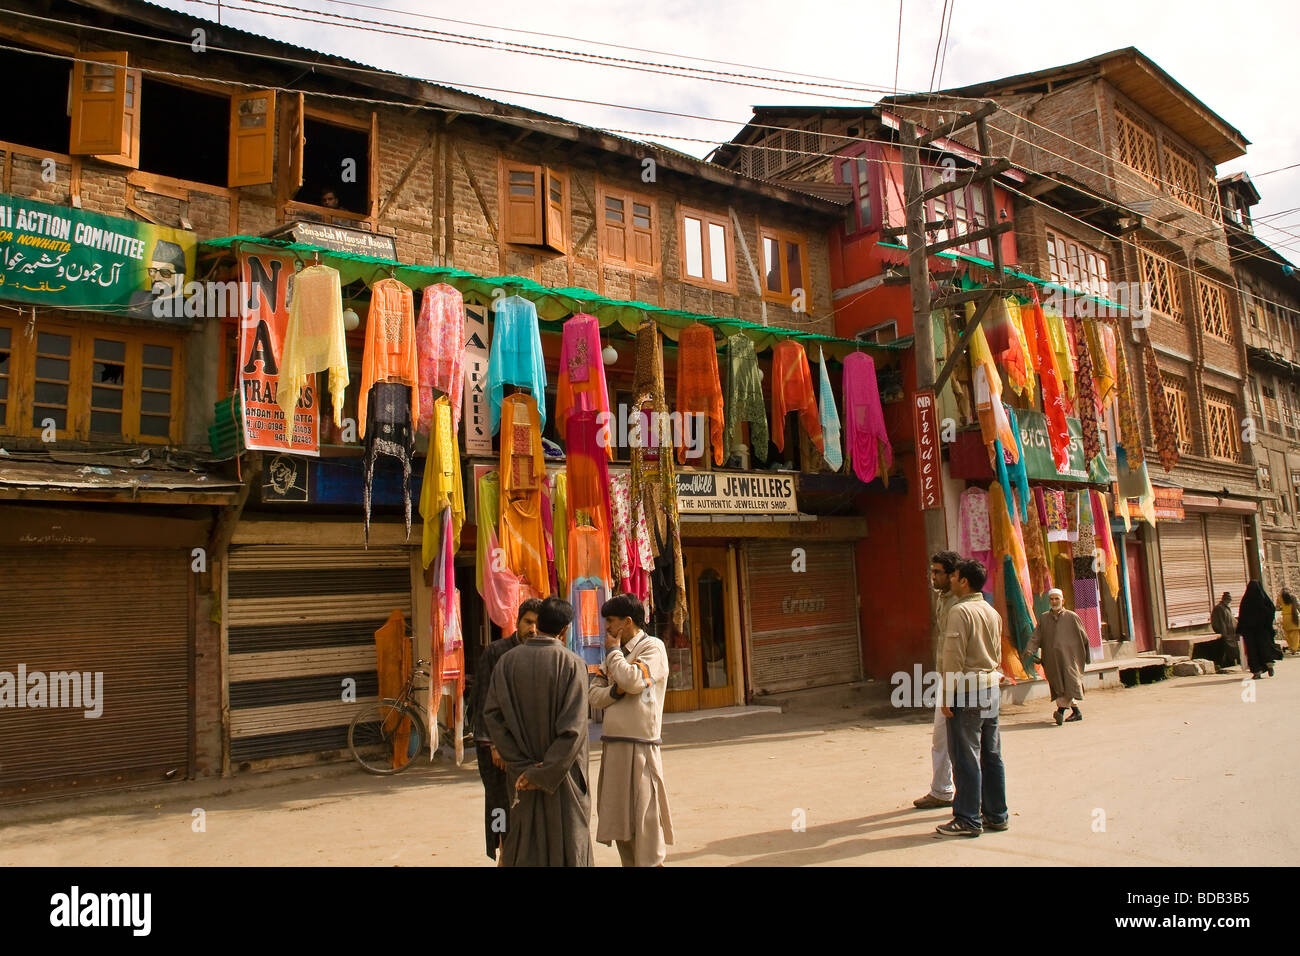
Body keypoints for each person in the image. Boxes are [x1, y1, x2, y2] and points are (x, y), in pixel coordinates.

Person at [483, 596, 593, 866]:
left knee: (524, 844)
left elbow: (492, 717)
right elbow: (573, 731)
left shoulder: (506, 663)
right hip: (563, 776)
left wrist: (522, 767)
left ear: (538, 623)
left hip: (520, 775)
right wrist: (544, 772)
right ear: (565, 630)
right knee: (568, 845)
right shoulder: (572, 664)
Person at [589, 594, 674, 867]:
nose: (607, 630)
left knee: (646, 829)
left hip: (642, 747)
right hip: (613, 747)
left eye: (611, 623)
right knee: (620, 829)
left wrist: (617, 662)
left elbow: (634, 680)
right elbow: (594, 694)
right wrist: (617, 689)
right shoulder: (616, 657)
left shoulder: (653, 648)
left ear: (627, 622)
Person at [935, 558, 1009, 838]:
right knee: (991, 754)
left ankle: (967, 818)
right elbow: (997, 651)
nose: (949, 581)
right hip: (990, 687)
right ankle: (996, 814)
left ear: (964, 581)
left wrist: (947, 695)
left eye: (953, 576)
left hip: (967, 691)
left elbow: (952, 658)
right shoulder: (990, 611)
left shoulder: (960, 611)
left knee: (965, 756)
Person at [468, 598, 542, 862]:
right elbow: (484, 700)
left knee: (522, 804)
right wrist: (493, 745)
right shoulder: (496, 652)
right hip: (495, 751)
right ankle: (502, 854)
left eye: (537, 624)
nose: (533, 629)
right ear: (518, 622)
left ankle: (517, 855)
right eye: (528, 622)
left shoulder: (539, 655)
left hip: (524, 749)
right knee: (498, 803)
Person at [914, 550, 961, 810]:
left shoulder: (961, 603)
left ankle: (969, 799)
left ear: (952, 575)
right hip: (947, 676)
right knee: (941, 738)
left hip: (961, 681)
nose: (932, 577)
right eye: (931, 571)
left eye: (937, 572)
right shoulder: (943, 598)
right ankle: (942, 789)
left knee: (965, 741)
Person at [1024, 588, 1090, 725]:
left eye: (1057, 599)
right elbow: (1036, 635)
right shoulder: (1044, 617)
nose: (1054, 602)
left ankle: (1060, 711)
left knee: (1070, 682)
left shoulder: (1072, 617)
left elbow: (1084, 638)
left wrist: (1085, 656)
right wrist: (1030, 649)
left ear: (1062, 600)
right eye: (1051, 599)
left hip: (1070, 659)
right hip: (1051, 659)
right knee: (1059, 685)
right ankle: (1076, 712)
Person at [1237, 581, 1279, 680]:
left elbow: (1241, 616)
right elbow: (1271, 609)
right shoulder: (1263, 599)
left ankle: (1257, 672)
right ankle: (1269, 666)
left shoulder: (1246, 600)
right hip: (1262, 630)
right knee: (1264, 648)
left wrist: (1240, 630)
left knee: (1253, 651)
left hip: (1249, 632)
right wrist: (1267, 623)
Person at [1210, 592, 1241, 671]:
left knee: (1232, 651)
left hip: (1231, 634)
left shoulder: (1226, 608)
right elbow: (1218, 622)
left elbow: (1231, 620)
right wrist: (1222, 632)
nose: (1229, 601)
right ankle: (1222, 665)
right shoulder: (1219, 608)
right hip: (1225, 634)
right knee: (1226, 651)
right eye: (1228, 599)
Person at [1277, 589, 1300, 656]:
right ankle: (1294, 649)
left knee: (1288, 634)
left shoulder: (1280, 598)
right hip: (1293, 617)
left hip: (1285, 618)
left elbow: (1277, 607)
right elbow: (1298, 606)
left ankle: (1291, 647)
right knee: (1295, 635)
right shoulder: (1293, 597)